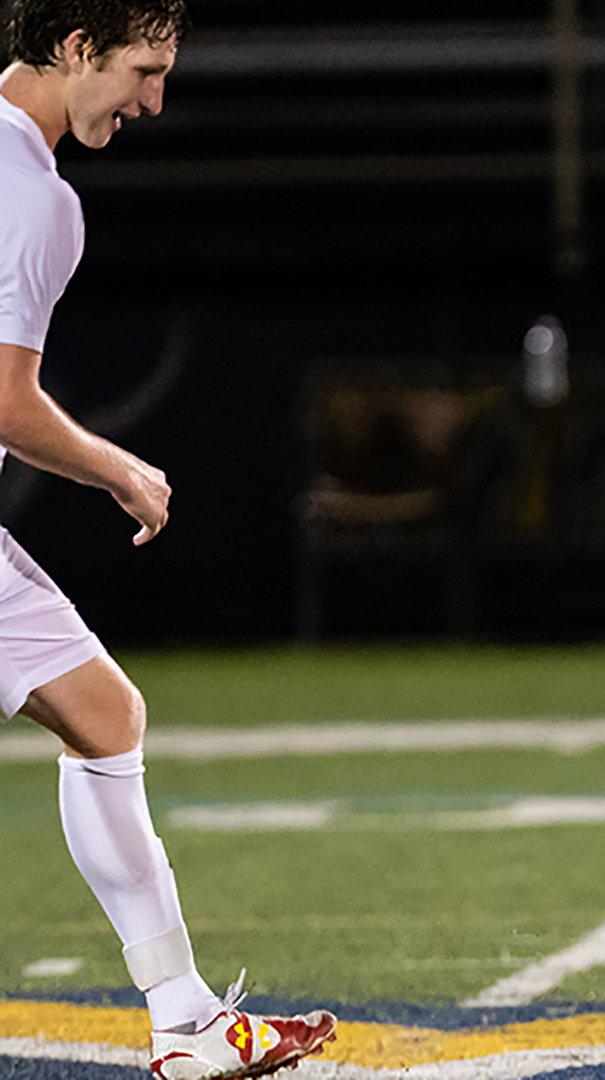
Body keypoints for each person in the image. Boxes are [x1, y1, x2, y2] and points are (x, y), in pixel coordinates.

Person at [0, 2, 336, 1076]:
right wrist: (123, 469)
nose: (153, 99)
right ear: (73, 47)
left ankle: (186, 1021)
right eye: (141, 70)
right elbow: (5, 401)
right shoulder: (33, 195)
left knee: (103, 714)